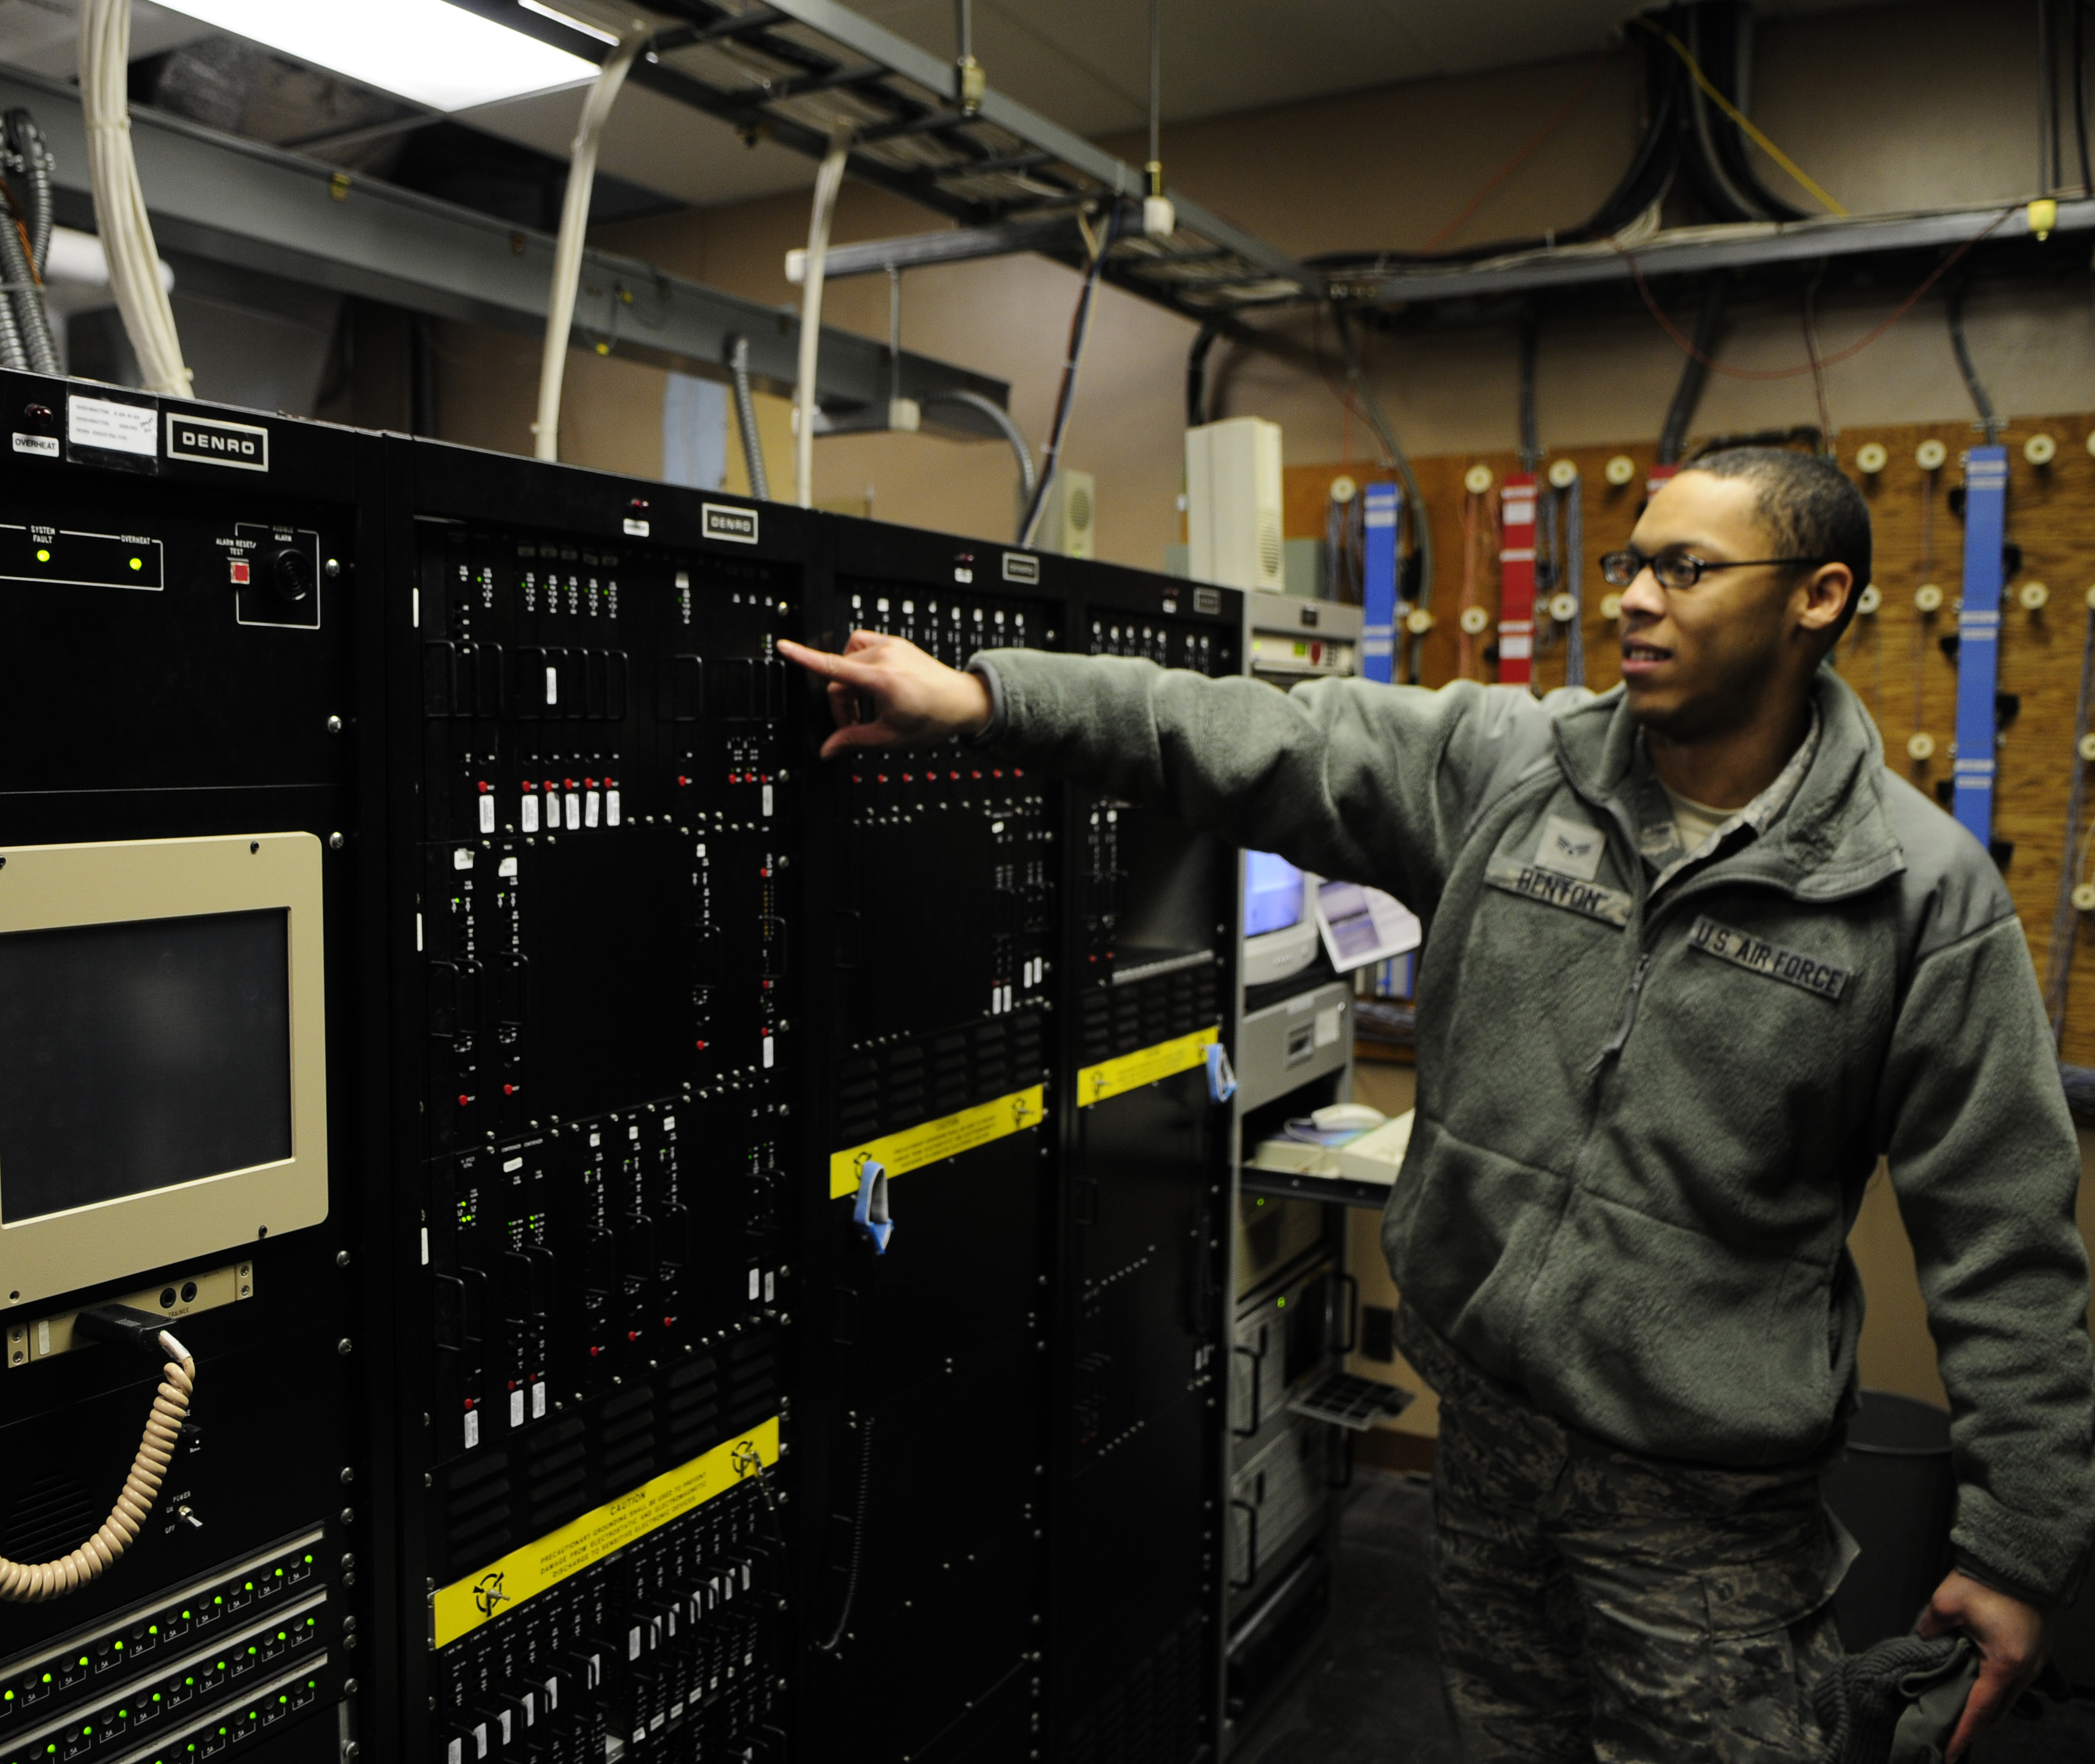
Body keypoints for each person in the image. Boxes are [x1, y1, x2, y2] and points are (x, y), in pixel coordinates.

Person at [775, 446, 2093, 1764]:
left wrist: (2015, 1544)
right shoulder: (1513, 769)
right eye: (1628, 562)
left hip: (1704, 1514)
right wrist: (985, 694)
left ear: (1816, 597)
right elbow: (1255, 732)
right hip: (1487, 1447)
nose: (1632, 597)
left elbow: (2003, 1237)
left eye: (1683, 569)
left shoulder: (1911, 893)